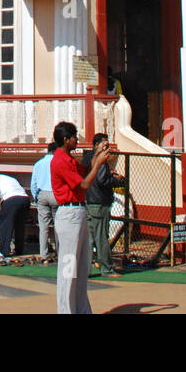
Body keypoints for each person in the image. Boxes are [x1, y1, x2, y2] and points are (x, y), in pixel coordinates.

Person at [50, 121, 113, 314]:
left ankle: (81, 310)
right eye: (74, 136)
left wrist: (97, 154)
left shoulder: (68, 159)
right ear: (66, 139)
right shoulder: (60, 161)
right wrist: (99, 162)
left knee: (81, 266)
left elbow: (86, 170)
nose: (77, 139)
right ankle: (67, 311)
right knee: (69, 268)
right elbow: (84, 184)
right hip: (69, 213)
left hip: (77, 212)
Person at [81, 132, 126, 277]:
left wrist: (109, 174)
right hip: (99, 202)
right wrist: (116, 180)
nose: (107, 148)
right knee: (101, 238)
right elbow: (102, 180)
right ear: (96, 145)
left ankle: (85, 270)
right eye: (105, 145)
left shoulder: (86, 158)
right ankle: (106, 268)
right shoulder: (101, 160)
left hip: (88, 201)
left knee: (89, 238)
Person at [0, 173, 30, 262]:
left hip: (11, 199)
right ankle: (19, 250)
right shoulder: (11, 179)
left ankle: (4, 251)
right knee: (20, 226)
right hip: (25, 199)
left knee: (5, 225)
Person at [29, 140, 58, 258]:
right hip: (56, 194)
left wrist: (36, 197)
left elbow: (33, 184)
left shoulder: (38, 163)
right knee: (59, 225)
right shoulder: (58, 162)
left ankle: (43, 254)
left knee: (43, 227)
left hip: (42, 194)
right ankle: (59, 252)